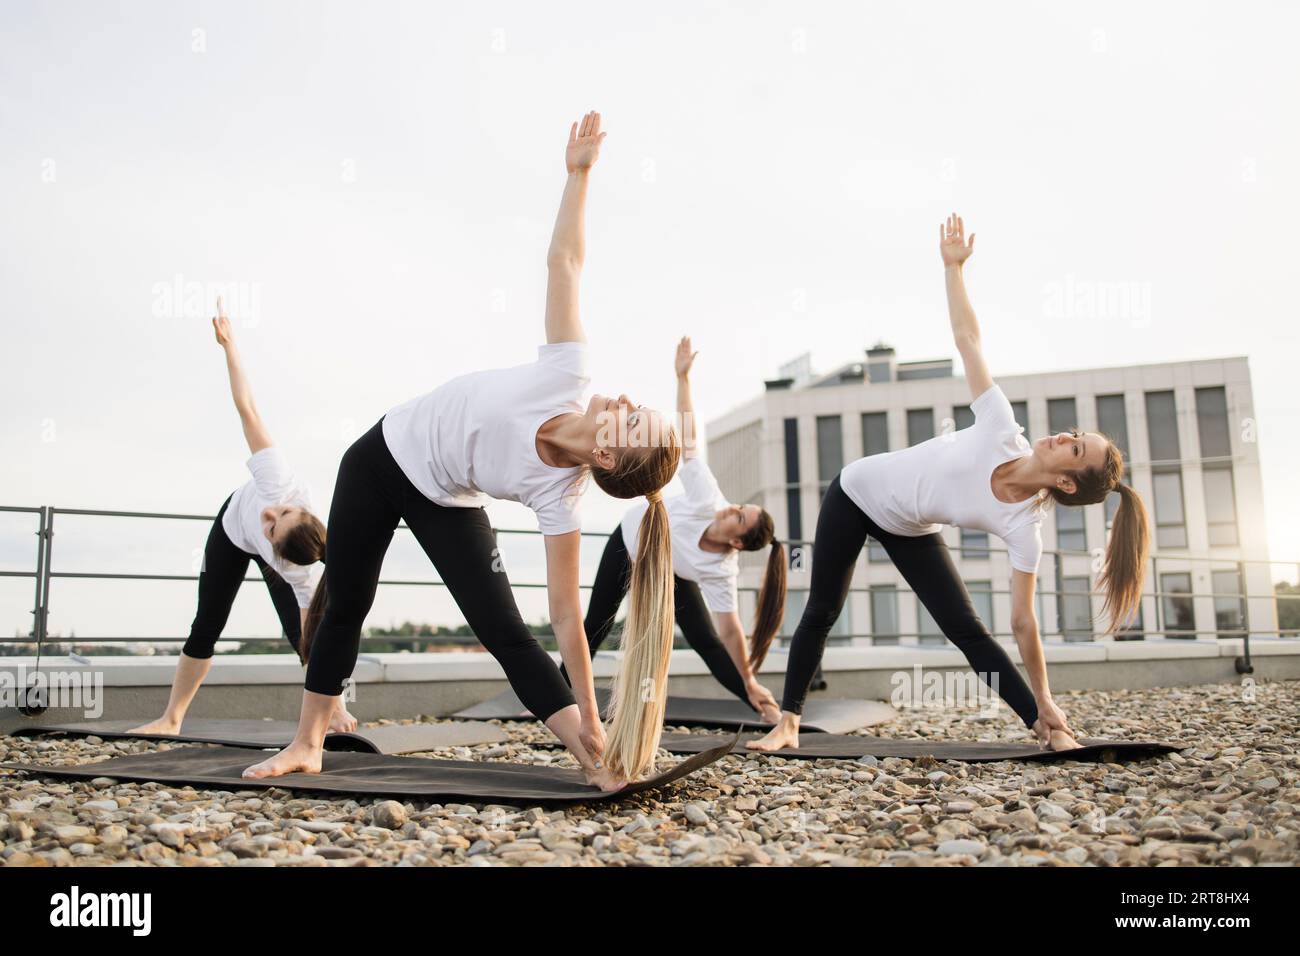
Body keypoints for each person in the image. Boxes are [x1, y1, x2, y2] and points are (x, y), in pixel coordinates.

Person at [243, 112, 681, 790]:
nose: (624, 400)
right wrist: (579, 175)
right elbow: (565, 263)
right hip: (381, 457)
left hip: (446, 497)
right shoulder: (567, 371)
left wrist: (593, 718)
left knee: (504, 629)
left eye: (632, 418)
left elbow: (566, 617)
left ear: (606, 459)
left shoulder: (559, 497)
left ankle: (596, 761)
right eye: (636, 404)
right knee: (347, 599)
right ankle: (307, 742)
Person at [749, 214, 1150, 753]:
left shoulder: (1025, 528)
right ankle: (788, 723)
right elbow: (968, 339)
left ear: (1067, 483)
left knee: (967, 629)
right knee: (823, 608)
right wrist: (953, 269)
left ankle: (1047, 728)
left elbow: (1023, 623)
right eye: (1074, 434)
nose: (1062, 436)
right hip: (856, 493)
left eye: (1074, 449)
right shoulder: (1001, 426)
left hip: (909, 526)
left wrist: (1044, 697)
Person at [130, 298, 350, 736]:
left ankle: (324, 716)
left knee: (301, 636)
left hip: (279, 561)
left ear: (278, 554)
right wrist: (230, 345)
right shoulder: (277, 478)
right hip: (230, 531)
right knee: (206, 624)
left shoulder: (298, 571)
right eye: (281, 512)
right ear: (299, 507)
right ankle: (170, 720)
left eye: (271, 526)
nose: (269, 512)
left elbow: (315, 641)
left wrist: (339, 708)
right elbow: (247, 406)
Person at [567, 337, 786, 722]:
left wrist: (750, 679)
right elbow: (688, 438)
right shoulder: (708, 499)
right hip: (631, 540)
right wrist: (683, 378)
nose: (731, 508)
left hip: (671, 569)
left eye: (738, 517)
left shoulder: (721, 570)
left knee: (706, 642)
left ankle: (762, 707)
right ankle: (559, 696)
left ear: (736, 542)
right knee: (598, 621)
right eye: (740, 506)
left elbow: (730, 633)